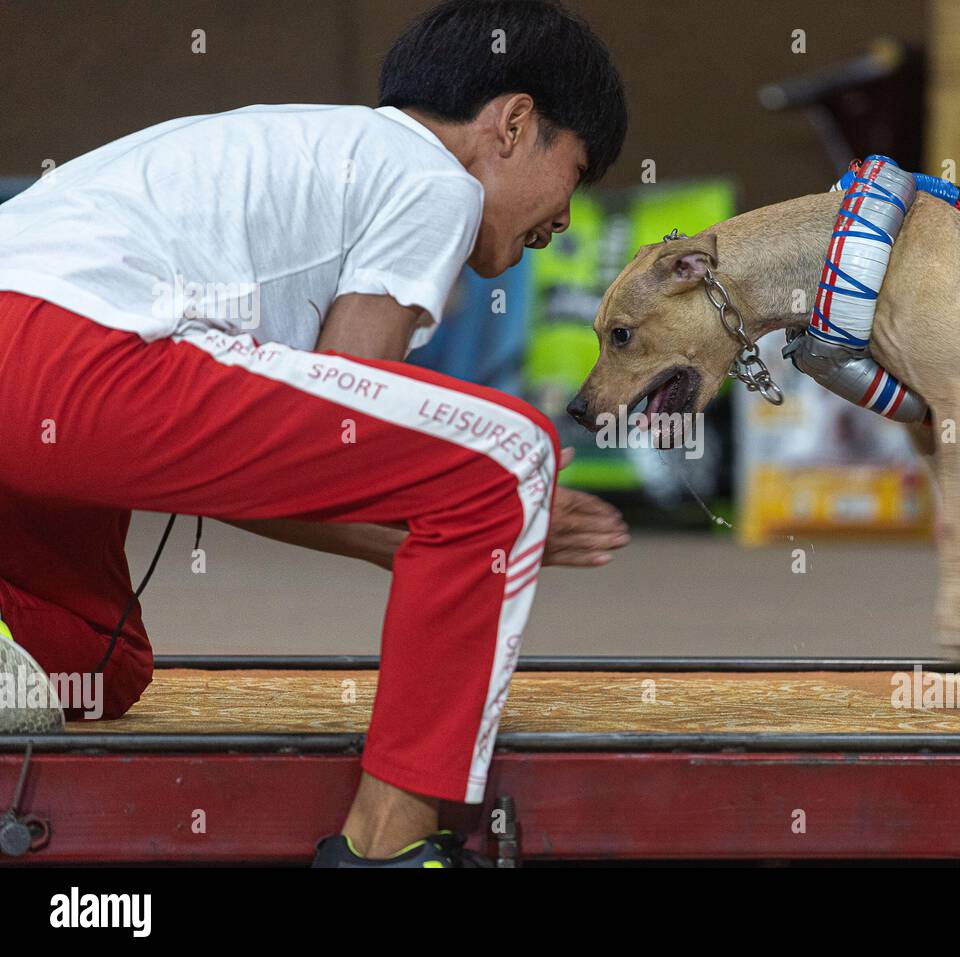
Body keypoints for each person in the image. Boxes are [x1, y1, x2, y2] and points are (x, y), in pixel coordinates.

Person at [0, 0, 629, 868]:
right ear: (514, 124)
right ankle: (387, 849)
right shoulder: (432, 178)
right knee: (506, 460)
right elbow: (346, 428)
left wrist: (435, 539)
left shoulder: (307, 148)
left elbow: (267, 472)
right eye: (578, 170)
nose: (563, 220)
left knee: (95, 664)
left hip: (39, 384)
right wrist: (490, 521)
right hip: (63, 349)